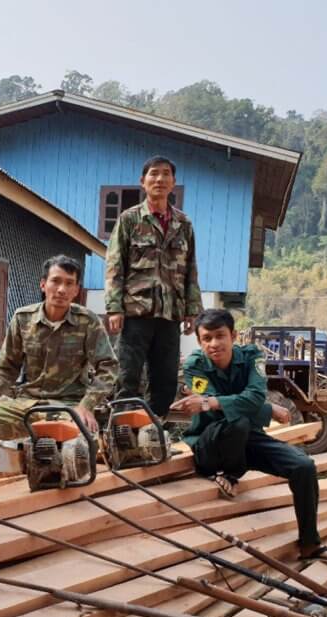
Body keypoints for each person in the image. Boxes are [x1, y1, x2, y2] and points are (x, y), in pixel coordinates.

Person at [172, 309, 327, 562]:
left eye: (220, 336)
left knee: (304, 466)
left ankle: (310, 544)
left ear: (233, 336)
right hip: (210, 445)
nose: (214, 344)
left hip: (248, 439)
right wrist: (267, 409)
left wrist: (211, 402)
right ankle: (228, 473)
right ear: (199, 341)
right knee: (239, 421)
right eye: (207, 338)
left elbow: (252, 397)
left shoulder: (253, 357)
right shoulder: (194, 365)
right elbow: (231, 408)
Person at [0, 255, 117, 442]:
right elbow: (6, 369)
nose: (61, 289)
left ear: (76, 290)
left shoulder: (88, 321)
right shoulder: (23, 318)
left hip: (69, 406)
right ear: (43, 284)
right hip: (26, 404)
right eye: (55, 281)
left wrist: (86, 405)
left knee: (79, 446)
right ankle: (5, 463)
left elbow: (108, 367)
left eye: (69, 283)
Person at [105, 155, 202, 419]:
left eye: (166, 174)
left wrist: (192, 310)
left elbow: (191, 268)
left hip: (170, 314)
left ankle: (153, 429)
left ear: (173, 182)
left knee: (165, 380)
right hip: (136, 312)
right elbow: (115, 265)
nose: (160, 179)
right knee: (128, 376)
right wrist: (114, 308)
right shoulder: (129, 219)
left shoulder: (184, 224)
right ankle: (123, 429)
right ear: (143, 181)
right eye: (154, 174)